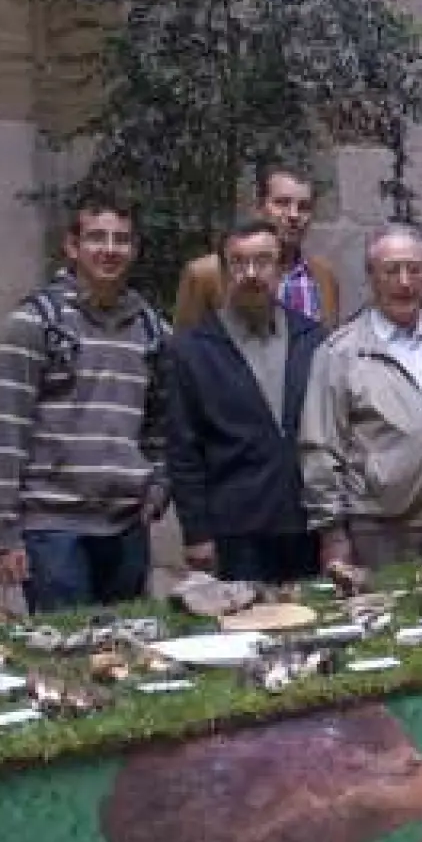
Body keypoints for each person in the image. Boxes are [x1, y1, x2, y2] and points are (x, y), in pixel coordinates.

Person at [0, 196, 170, 613]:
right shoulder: (36, 323)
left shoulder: (151, 329)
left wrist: (157, 486)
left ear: (134, 250)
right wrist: (2, 534)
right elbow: (4, 432)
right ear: (72, 246)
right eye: (97, 237)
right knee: (70, 656)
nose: (110, 249)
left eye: (121, 240)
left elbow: (161, 424)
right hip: (53, 529)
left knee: (128, 654)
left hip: (126, 526)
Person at [299, 224, 422, 568]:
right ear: (372, 278)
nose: (404, 282)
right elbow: (320, 447)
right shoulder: (340, 353)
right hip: (378, 531)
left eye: (415, 270)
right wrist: (331, 532)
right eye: (391, 270)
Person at [165, 218, 325, 583]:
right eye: (239, 262)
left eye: (263, 261)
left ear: (282, 267)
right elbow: (183, 448)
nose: (251, 273)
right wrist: (197, 533)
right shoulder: (192, 350)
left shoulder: (313, 340)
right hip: (235, 531)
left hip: (307, 521)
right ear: (224, 271)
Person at [175, 164, 341, 331]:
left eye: (304, 207)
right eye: (282, 203)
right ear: (259, 208)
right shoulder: (206, 274)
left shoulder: (322, 276)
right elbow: (184, 347)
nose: (294, 215)